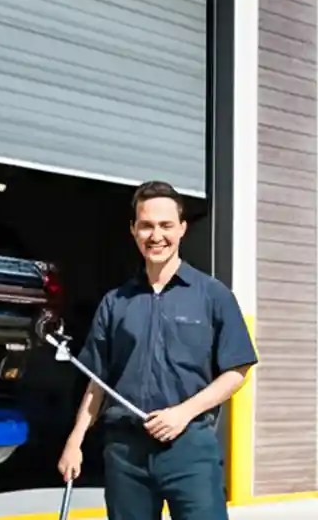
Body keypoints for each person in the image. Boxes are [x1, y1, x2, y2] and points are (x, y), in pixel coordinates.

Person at [57, 180, 257, 520]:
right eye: (147, 225)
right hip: (125, 454)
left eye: (166, 225)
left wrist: (182, 413)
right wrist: (75, 441)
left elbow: (236, 371)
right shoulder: (114, 303)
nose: (156, 235)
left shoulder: (213, 296)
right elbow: (97, 382)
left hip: (189, 449)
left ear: (182, 228)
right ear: (133, 230)